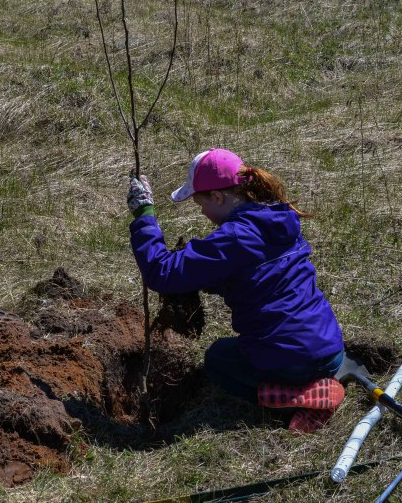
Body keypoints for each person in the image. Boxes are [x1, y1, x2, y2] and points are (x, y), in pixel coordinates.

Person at [127, 148, 346, 432]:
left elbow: (162, 272)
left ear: (217, 197)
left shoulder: (233, 238)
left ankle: (297, 399)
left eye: (200, 204)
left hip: (291, 360)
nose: (203, 213)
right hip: (330, 349)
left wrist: (144, 214)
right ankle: (320, 380)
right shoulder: (278, 218)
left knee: (218, 359)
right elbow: (255, 273)